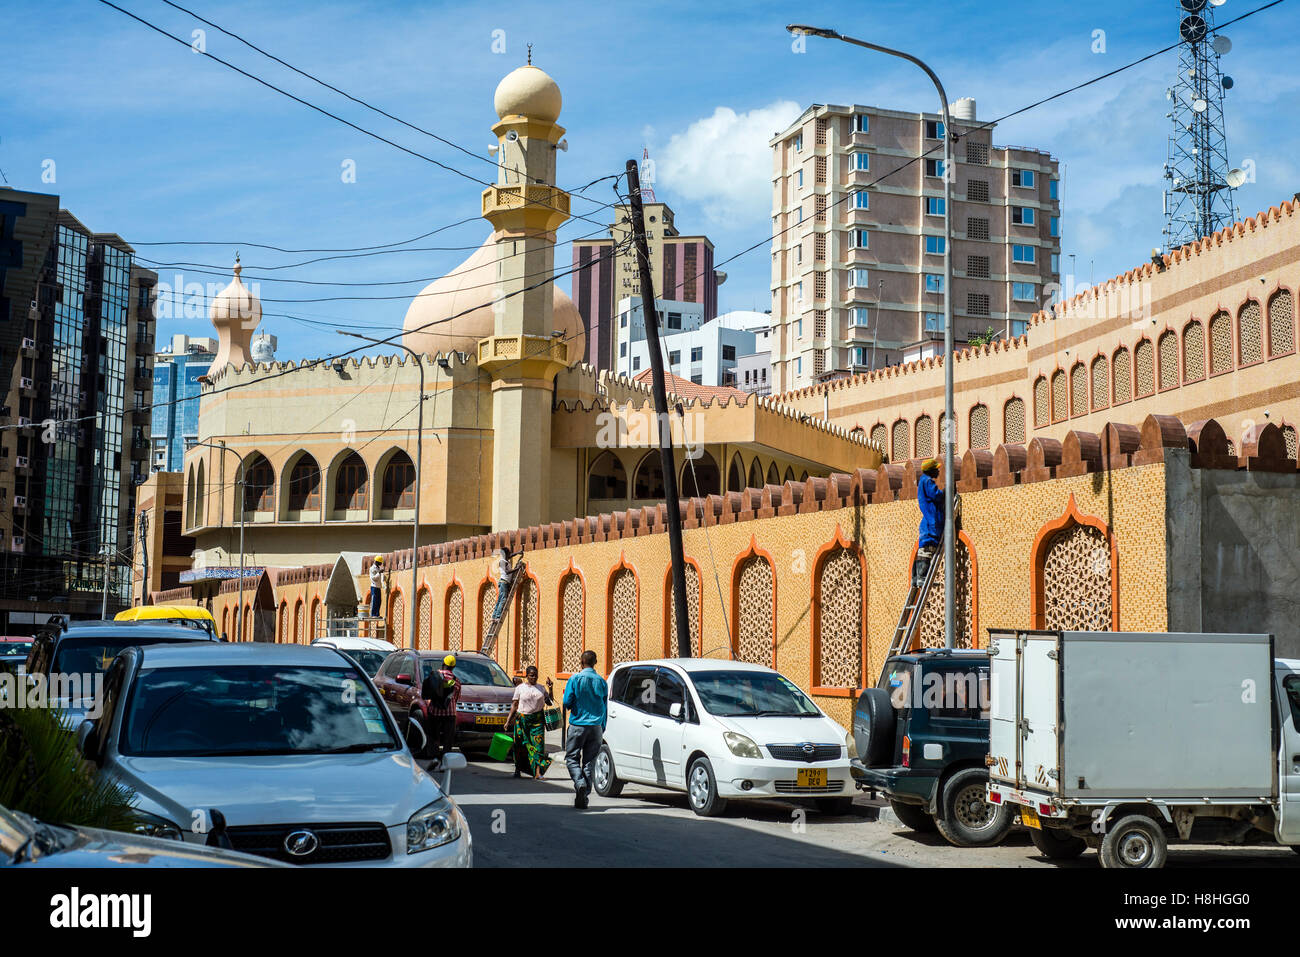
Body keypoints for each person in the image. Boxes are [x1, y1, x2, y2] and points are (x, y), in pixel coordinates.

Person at [561, 650, 607, 809]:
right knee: (589, 762)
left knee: (572, 758)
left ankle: (580, 783)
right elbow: (604, 706)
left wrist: (573, 705)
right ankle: (584, 796)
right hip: (596, 727)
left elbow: (567, 701)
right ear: (596, 662)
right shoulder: (601, 681)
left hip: (578, 725)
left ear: (581, 662)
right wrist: (603, 726)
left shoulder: (575, 679)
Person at [505, 666, 553, 779]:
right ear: (527, 676)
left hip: (537, 722)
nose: (534, 677)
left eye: (536, 675)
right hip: (522, 721)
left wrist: (550, 689)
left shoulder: (541, 688)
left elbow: (549, 702)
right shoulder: (520, 688)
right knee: (520, 745)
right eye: (531, 675)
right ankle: (518, 770)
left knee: (539, 747)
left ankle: (538, 773)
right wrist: (508, 720)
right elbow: (514, 705)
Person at [421, 654, 461, 765]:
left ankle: (434, 757)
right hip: (450, 713)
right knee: (448, 739)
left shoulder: (434, 676)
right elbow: (456, 698)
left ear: (443, 664)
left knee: (434, 735)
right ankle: (444, 761)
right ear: (453, 667)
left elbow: (427, 693)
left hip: (435, 712)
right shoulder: (456, 681)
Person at [489, 548, 517, 624]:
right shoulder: (502, 561)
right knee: (502, 600)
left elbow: (510, 556)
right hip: (504, 583)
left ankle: (494, 616)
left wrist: (517, 553)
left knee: (499, 600)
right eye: (508, 553)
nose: (509, 555)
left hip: (504, 583)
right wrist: (516, 569)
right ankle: (497, 617)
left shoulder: (505, 560)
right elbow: (507, 572)